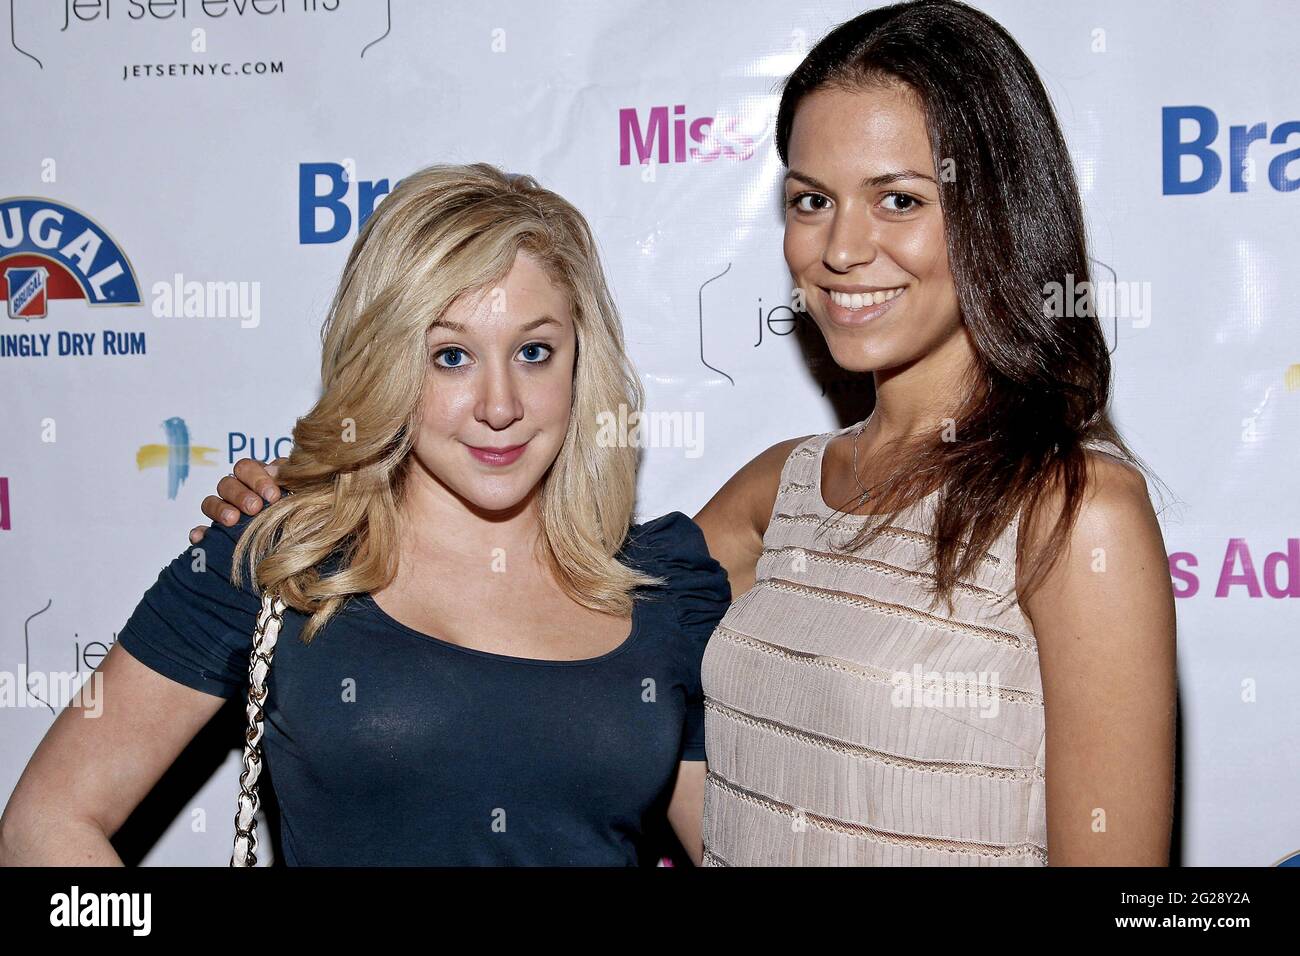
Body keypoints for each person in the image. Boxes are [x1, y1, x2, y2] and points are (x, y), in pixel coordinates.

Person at [195, 0, 1179, 867]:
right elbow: (542, 583)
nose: (840, 247)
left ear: (997, 211)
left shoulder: (1076, 511)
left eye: (899, 199)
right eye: (810, 200)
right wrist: (325, 499)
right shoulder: (783, 487)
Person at [0, 163, 730, 866]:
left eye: (534, 351)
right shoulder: (279, 564)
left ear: (580, 361)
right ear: (384, 361)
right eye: (450, 357)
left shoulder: (665, 592)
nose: (500, 405)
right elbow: (46, 824)